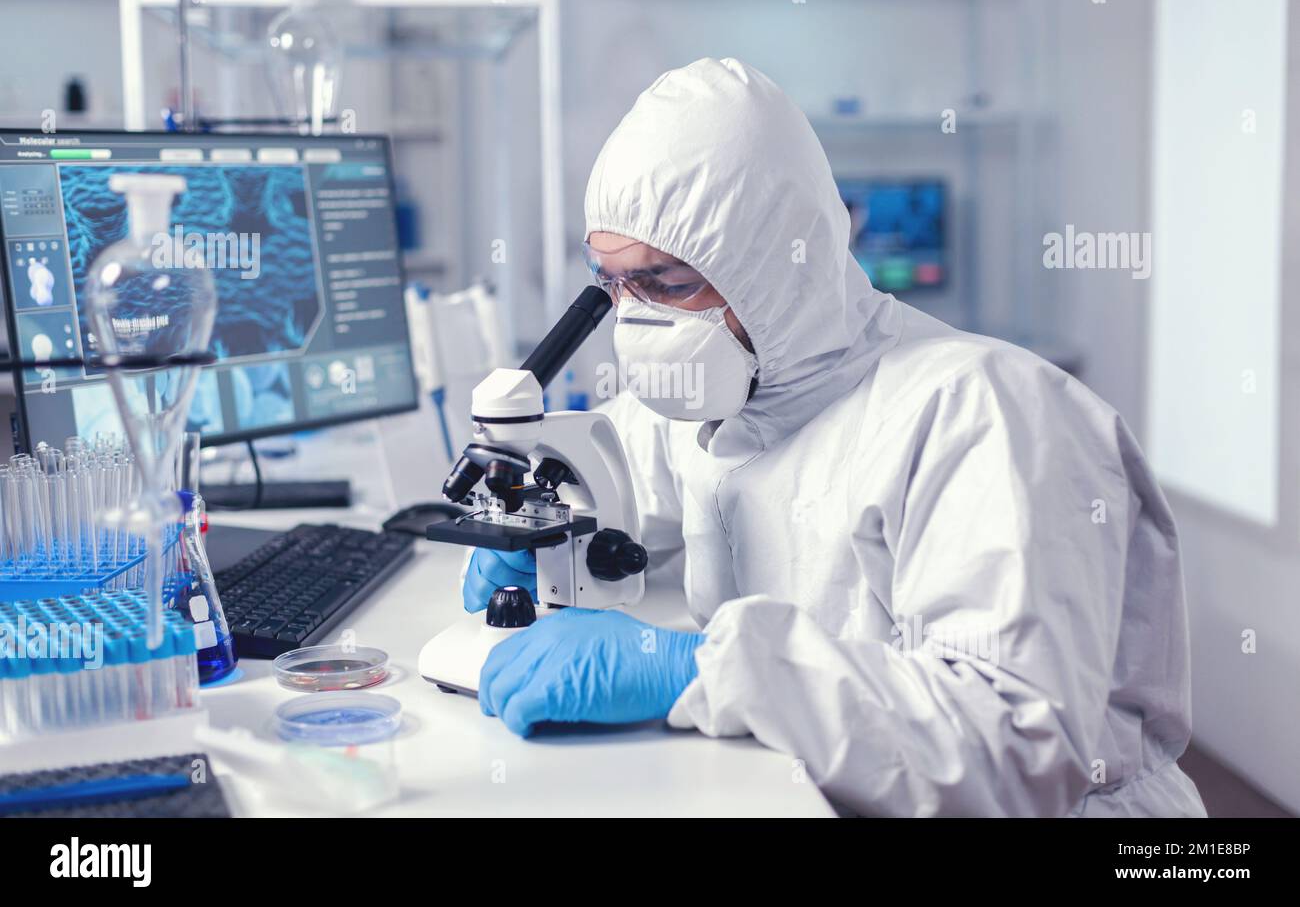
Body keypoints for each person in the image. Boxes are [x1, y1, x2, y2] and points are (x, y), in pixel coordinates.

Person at [465, 58, 1207, 817]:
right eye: (614, 282)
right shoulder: (715, 396)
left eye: (669, 282)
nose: (638, 319)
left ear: (770, 265)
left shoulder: (985, 412)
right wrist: (544, 536)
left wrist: (699, 670)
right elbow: (614, 477)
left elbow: (1012, 748)